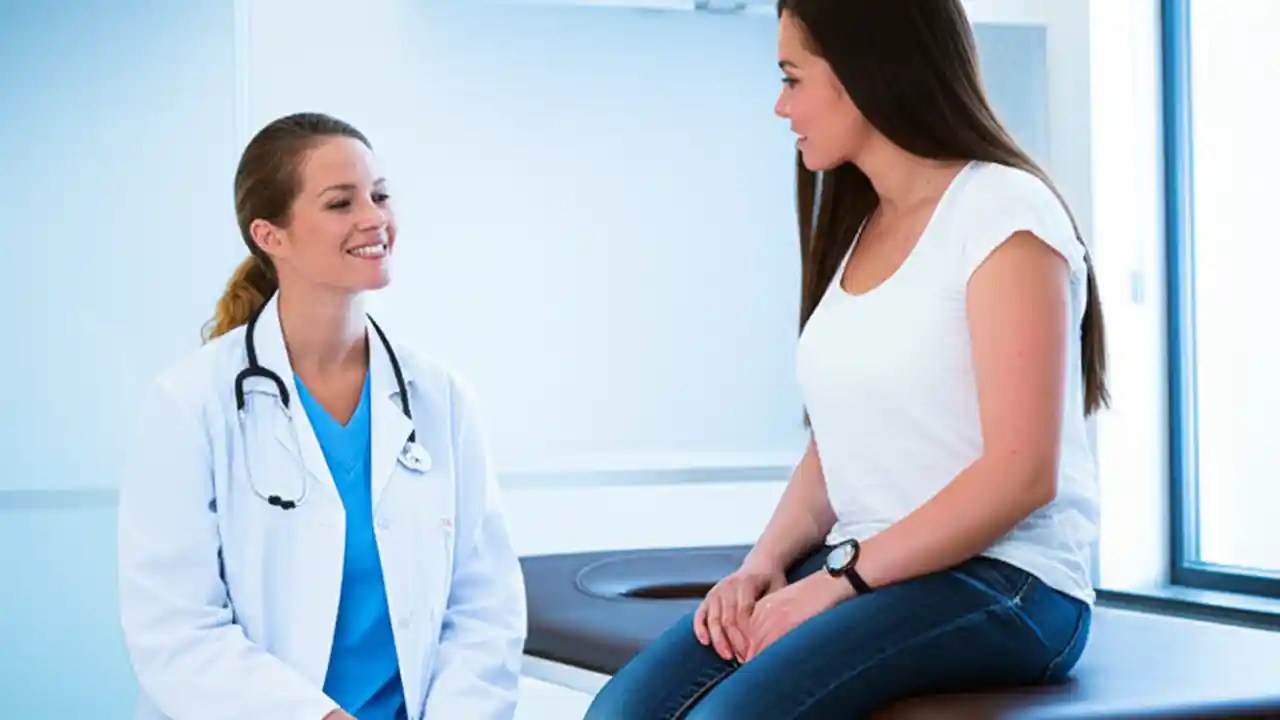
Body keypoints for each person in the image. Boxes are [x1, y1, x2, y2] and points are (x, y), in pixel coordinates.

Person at [585, 1, 1107, 717]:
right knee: (620, 712)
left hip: (1010, 580)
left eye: (793, 78)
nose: (780, 105)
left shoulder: (1004, 213)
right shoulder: (863, 226)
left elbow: (1021, 476)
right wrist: (761, 567)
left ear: (866, 71)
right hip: (875, 568)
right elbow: (839, 446)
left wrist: (835, 582)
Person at [117, 112, 527, 720]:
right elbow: (176, 632)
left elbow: (483, 607)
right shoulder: (190, 405)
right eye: (341, 203)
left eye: (380, 194)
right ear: (270, 235)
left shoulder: (440, 399)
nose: (375, 218)